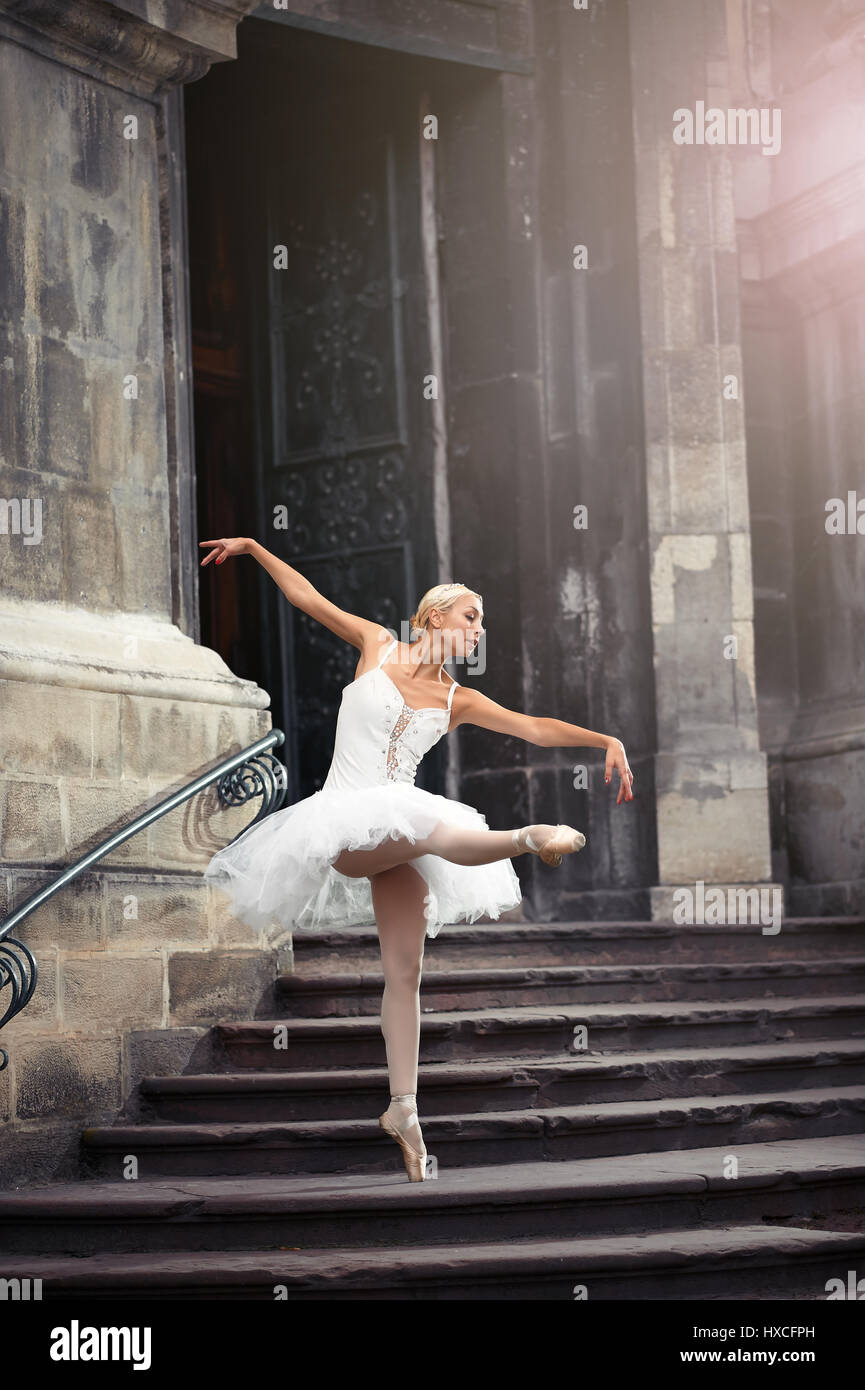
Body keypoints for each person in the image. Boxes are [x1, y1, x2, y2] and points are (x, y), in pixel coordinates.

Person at [199, 536, 634, 1182]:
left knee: (405, 972)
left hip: (398, 836)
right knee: (433, 825)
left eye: (481, 622)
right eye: (470, 617)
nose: (478, 629)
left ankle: (403, 1108)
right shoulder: (378, 644)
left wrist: (607, 739)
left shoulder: (458, 701)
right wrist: (255, 548)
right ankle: (526, 837)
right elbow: (306, 597)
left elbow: (534, 727)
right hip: (345, 822)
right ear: (434, 616)